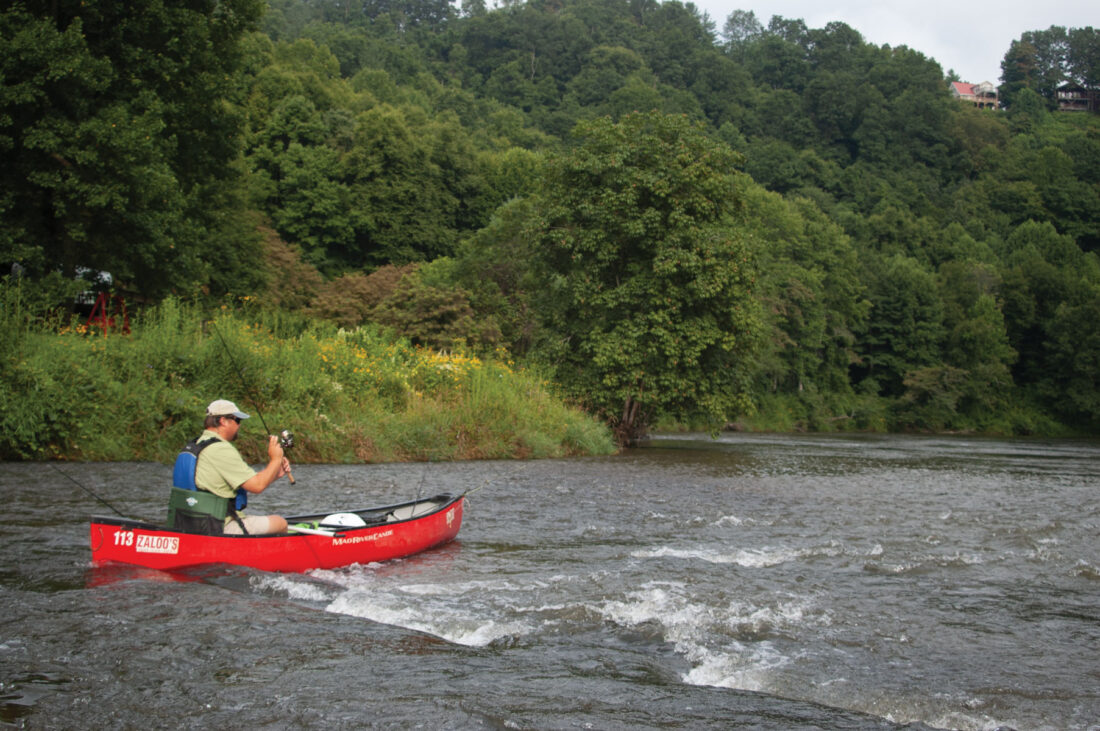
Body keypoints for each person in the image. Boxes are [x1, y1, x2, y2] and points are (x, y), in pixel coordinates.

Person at [194, 399, 292, 535]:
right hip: (219, 525)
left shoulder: (199, 444)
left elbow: (247, 483)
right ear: (223, 421)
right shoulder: (221, 449)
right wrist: (275, 459)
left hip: (196, 522)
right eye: (237, 420)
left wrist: (275, 473)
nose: (239, 425)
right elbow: (257, 486)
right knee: (280, 523)